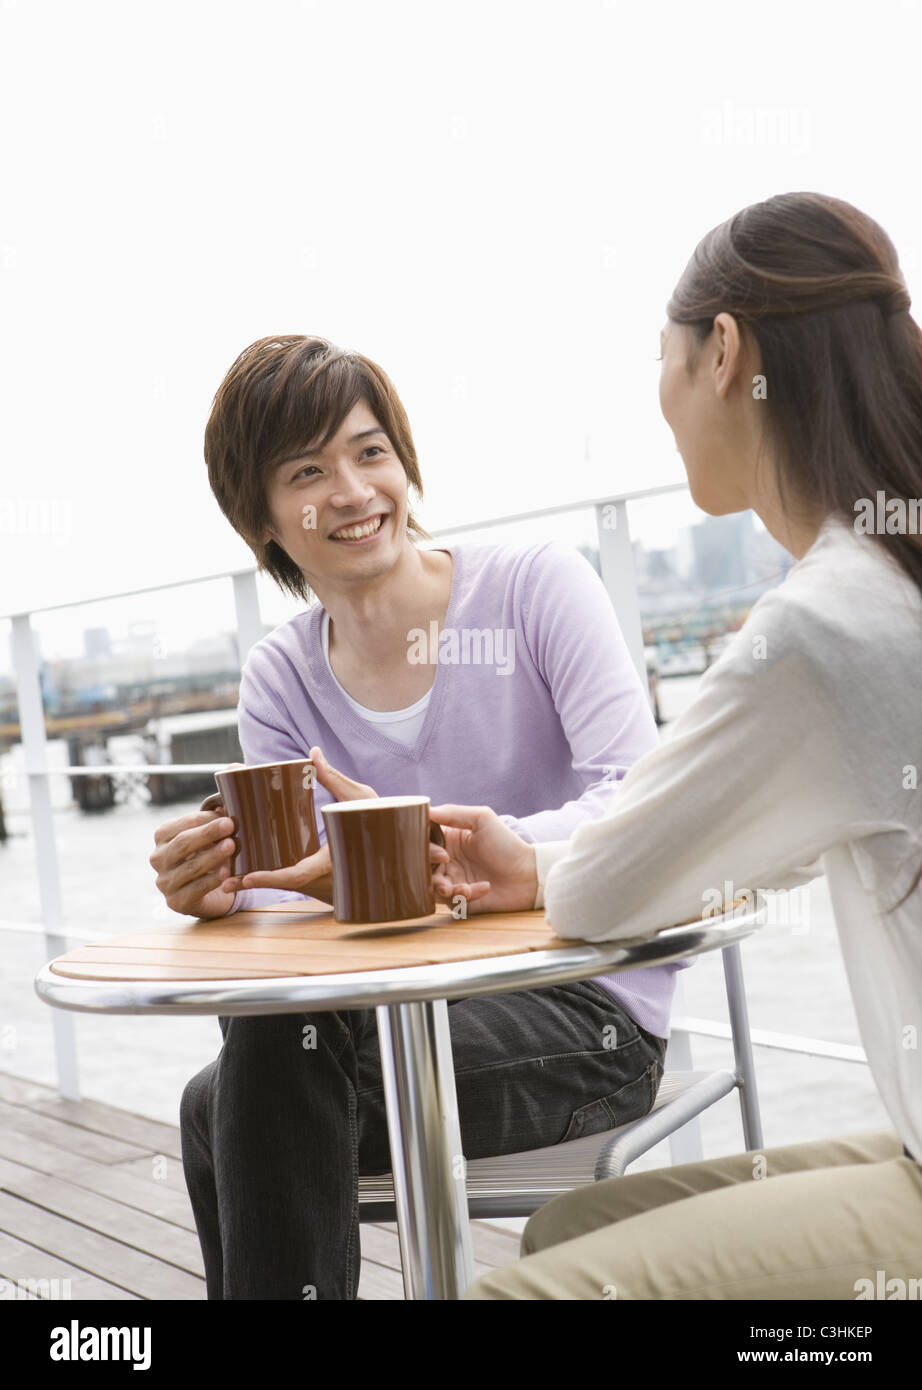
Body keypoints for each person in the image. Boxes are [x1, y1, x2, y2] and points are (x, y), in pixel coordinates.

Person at [421, 191, 922, 1299]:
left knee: (513, 1294)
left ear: (725, 352)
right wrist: (541, 865)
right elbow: (745, 848)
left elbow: (606, 891)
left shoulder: (827, 620)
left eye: (664, 356)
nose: (659, 393)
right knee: (572, 1228)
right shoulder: (888, 577)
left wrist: (547, 869)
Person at [149, 334, 691, 1299]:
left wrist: (500, 850)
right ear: (262, 519)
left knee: (230, 1100)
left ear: (405, 465)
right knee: (232, 1084)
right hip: (392, 1020)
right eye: (308, 470)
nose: (355, 492)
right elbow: (304, 905)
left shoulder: (534, 589)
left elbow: (644, 797)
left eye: (371, 452)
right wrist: (229, 893)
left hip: (584, 1011)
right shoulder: (280, 677)